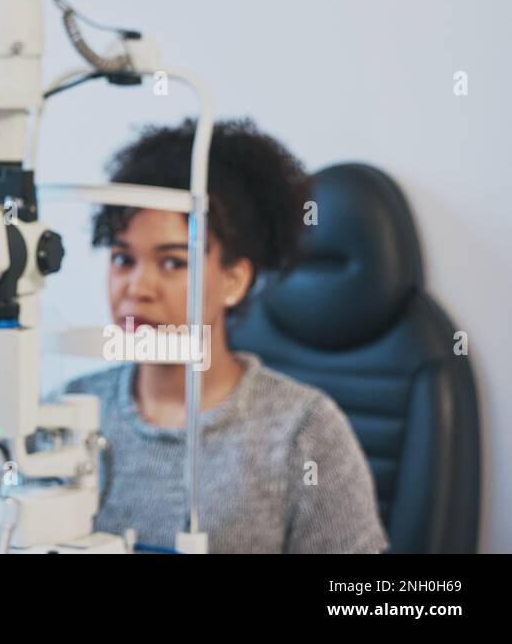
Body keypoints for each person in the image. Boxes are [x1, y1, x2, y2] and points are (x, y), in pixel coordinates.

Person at [61, 117, 388, 553]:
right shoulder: (69, 412)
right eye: (123, 259)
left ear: (233, 280)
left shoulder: (302, 432)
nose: (136, 288)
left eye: (173, 263)